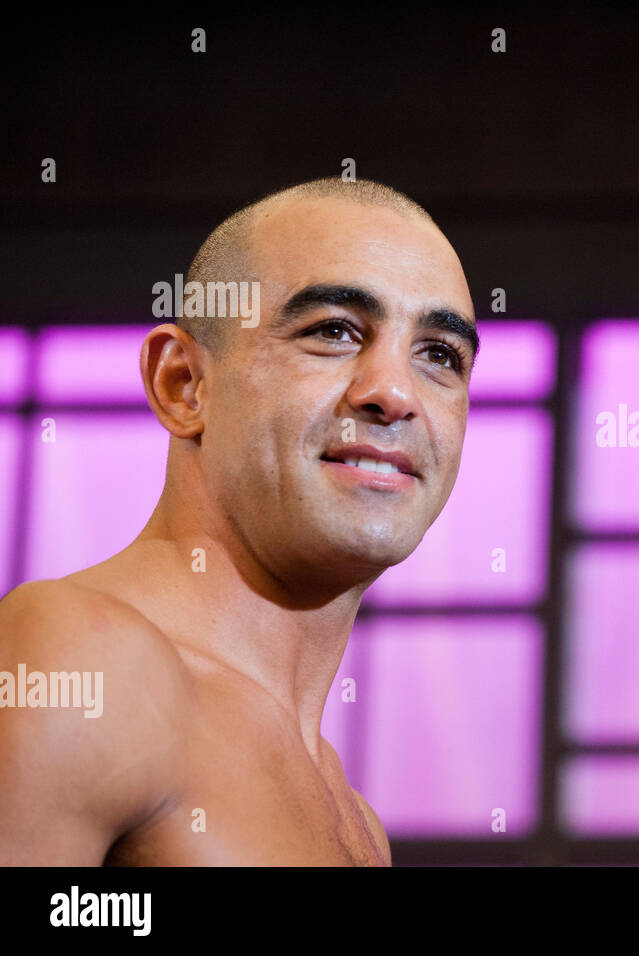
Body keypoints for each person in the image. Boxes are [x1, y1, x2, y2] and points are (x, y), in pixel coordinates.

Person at [0, 178, 478, 864]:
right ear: (184, 385)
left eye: (439, 354)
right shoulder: (83, 656)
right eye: (334, 332)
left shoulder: (357, 820)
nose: (394, 393)